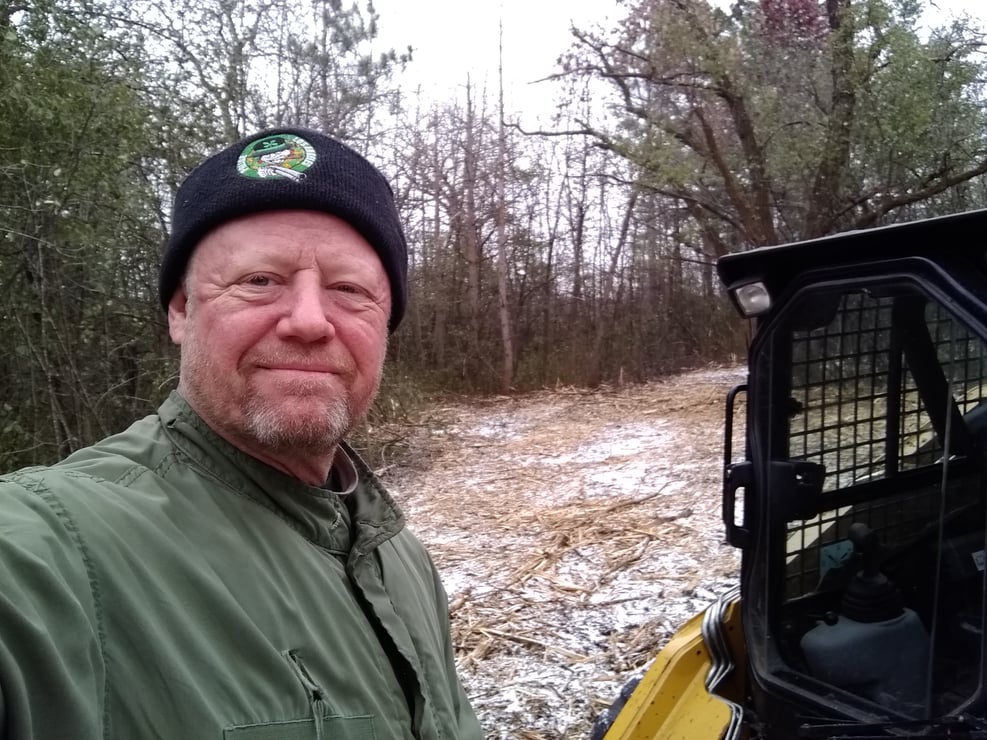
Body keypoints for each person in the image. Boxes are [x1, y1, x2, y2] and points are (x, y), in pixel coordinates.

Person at [0, 128, 483, 739]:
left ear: (385, 325)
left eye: (349, 289)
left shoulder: (399, 558)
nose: (309, 320)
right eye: (259, 280)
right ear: (181, 311)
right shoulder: (56, 548)